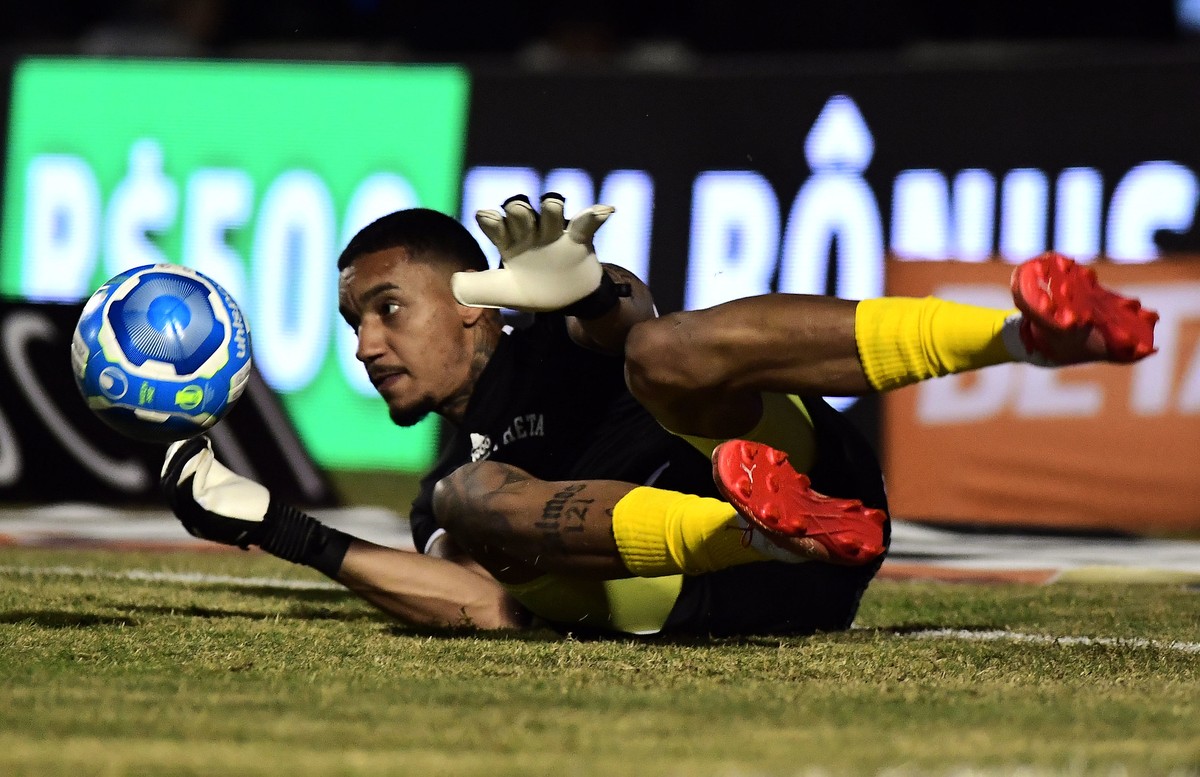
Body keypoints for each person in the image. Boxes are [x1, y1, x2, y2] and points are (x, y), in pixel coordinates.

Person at [161, 193, 1158, 637]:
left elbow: (635, 318)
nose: (366, 345)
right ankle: (758, 535)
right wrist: (277, 531)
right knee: (466, 503)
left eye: (388, 310)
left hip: (816, 484)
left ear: (473, 300)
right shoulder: (448, 483)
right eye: (352, 324)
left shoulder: (554, 339)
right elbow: (483, 608)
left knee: (662, 351)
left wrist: (588, 291)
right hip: (712, 583)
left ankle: (1029, 339)